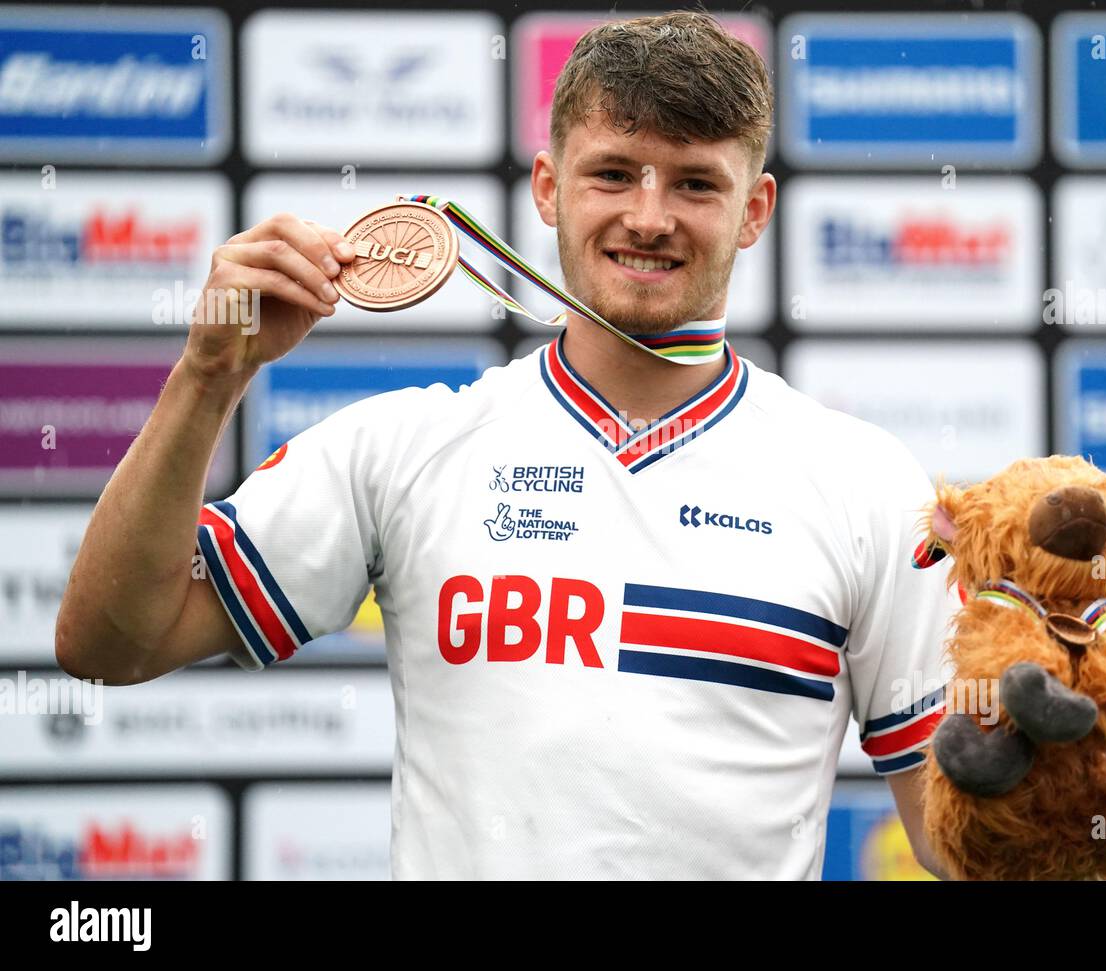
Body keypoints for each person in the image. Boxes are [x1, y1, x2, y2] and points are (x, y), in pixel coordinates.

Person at [56, 10, 959, 880]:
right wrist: (207, 377)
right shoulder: (407, 446)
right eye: (613, 173)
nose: (649, 217)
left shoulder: (864, 483)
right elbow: (111, 644)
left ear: (755, 208)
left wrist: (1082, 795)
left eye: (694, 182)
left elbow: (952, 844)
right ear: (547, 187)